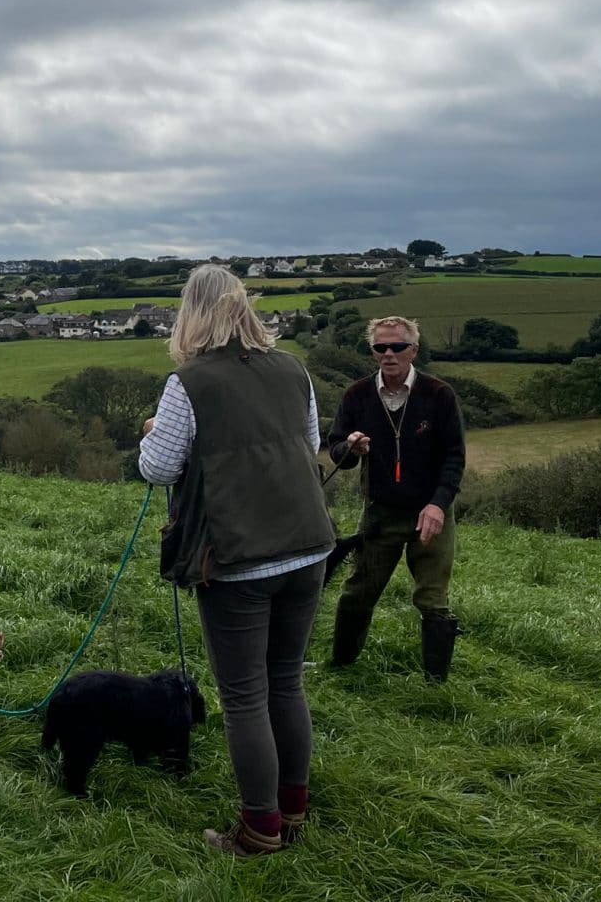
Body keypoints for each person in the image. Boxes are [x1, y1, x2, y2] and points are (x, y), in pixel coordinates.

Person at [138, 264, 335, 857]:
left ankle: (259, 830)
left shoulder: (189, 382)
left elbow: (158, 468)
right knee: (286, 682)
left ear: (191, 313)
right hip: (309, 546)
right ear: (244, 307)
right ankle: (291, 811)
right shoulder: (294, 368)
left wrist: (153, 432)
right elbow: (310, 444)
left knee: (245, 696)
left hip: (238, 556)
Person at [326, 315, 465, 681]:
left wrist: (438, 504)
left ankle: (436, 684)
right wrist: (350, 447)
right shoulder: (356, 394)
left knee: (433, 599)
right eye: (380, 347)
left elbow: (454, 456)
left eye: (397, 346)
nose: (388, 353)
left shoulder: (439, 394)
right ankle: (341, 667)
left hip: (430, 511)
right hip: (380, 512)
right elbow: (336, 449)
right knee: (358, 592)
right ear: (373, 351)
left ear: (413, 350)